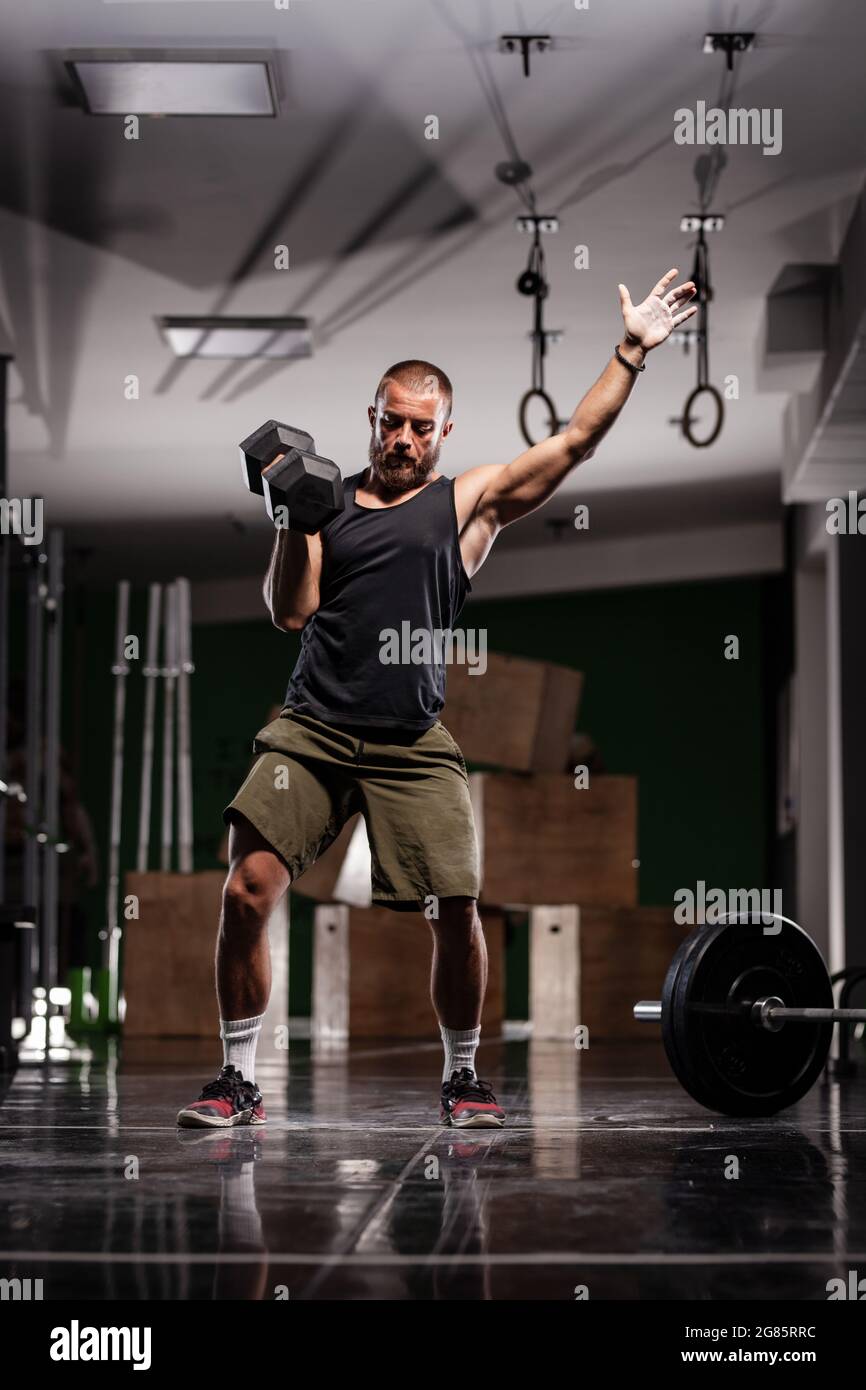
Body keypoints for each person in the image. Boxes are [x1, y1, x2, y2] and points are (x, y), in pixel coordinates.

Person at [176, 268, 697, 1130]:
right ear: (371, 419)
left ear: (444, 430)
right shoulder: (323, 503)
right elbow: (289, 611)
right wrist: (288, 518)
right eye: (392, 422)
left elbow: (571, 443)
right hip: (310, 728)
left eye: (422, 426)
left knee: (456, 907)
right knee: (244, 891)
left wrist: (632, 351)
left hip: (411, 738)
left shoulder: (466, 504)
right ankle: (238, 1080)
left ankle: (462, 1078)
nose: (405, 438)